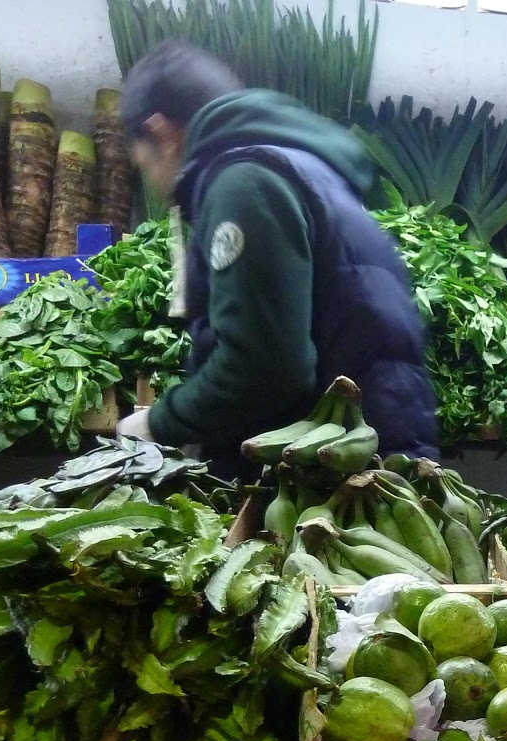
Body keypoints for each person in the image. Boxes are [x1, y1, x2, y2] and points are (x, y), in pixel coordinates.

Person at [114, 41, 439, 474]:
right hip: (362, 462)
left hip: (329, 486)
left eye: (142, 163)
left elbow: (264, 369)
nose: (153, 182)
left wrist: (158, 422)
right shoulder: (303, 170)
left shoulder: (244, 185)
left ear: (161, 133)